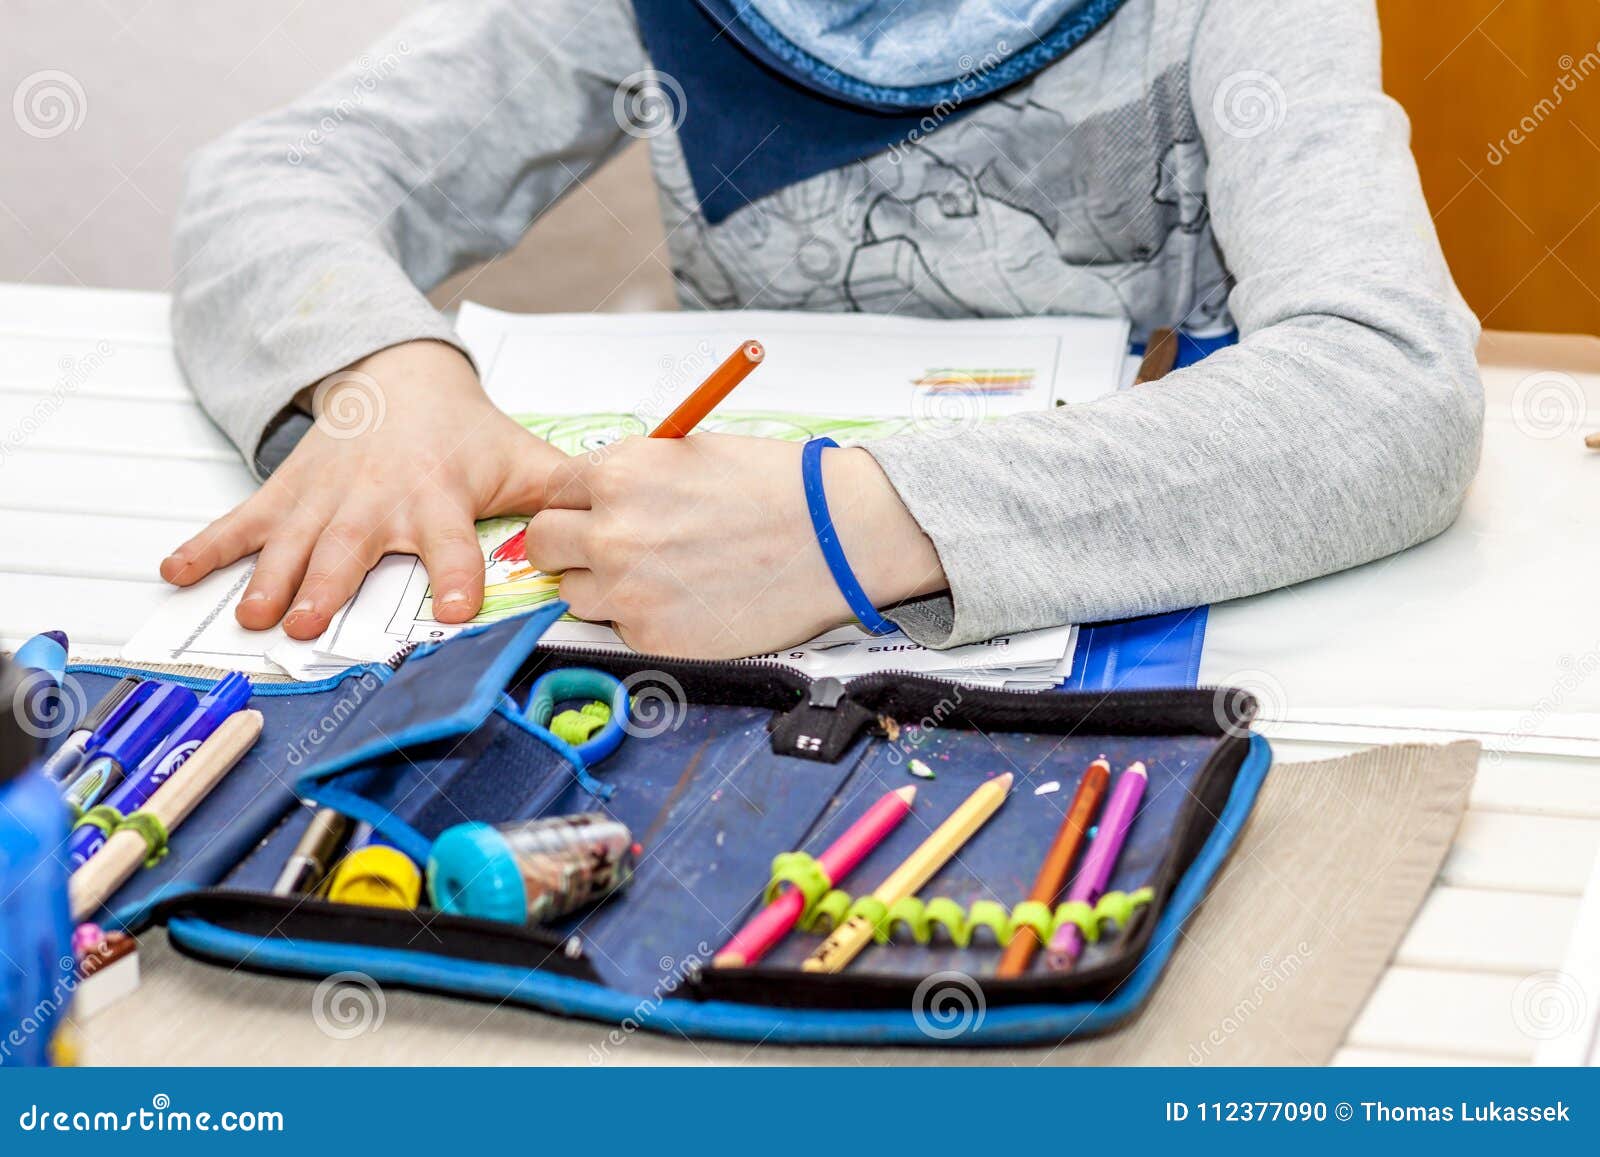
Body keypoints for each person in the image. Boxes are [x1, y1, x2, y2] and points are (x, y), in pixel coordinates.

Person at [163, 0, 1483, 659]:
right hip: (714, 666)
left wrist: (858, 523)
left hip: (1184, 635)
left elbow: (1394, 388)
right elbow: (274, 180)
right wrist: (383, 375)